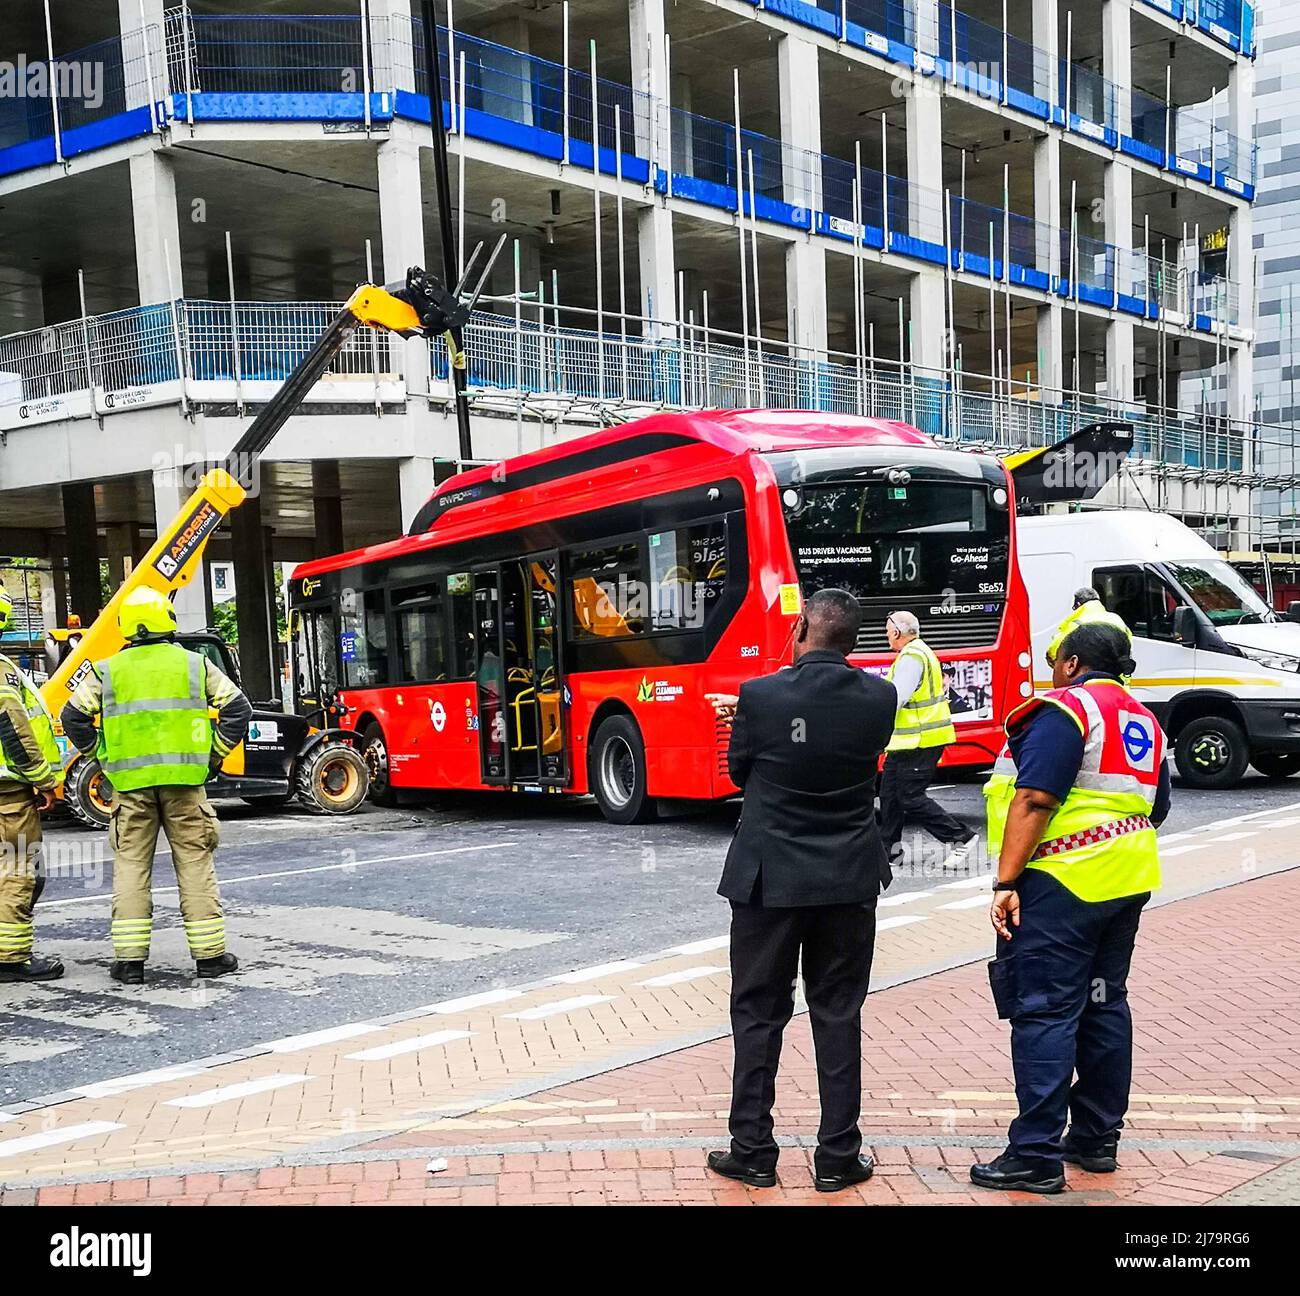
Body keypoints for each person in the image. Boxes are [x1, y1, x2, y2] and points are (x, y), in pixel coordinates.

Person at [708, 588, 896, 1193]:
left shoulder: (761, 696)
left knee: (758, 1012)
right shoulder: (881, 696)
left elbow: (738, 772)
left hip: (770, 878)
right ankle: (839, 1155)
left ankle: (753, 1149)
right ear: (855, 641)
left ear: (799, 629)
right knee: (838, 1010)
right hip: (847, 877)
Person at [971, 622, 1170, 1194]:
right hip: (1124, 881)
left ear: (1071, 662)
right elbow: (1156, 806)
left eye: (1056, 660)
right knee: (1104, 1003)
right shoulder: (1143, 719)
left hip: (1061, 883)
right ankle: (1094, 1139)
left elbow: (1035, 797)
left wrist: (1006, 881)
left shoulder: (1066, 710)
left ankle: (1035, 1154)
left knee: (1045, 1010)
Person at [61, 587, 252, 985]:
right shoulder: (194, 665)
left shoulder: (106, 670)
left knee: (131, 867)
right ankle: (210, 958)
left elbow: (73, 716)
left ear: (126, 627)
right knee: (196, 864)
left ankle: (130, 963)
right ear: (168, 620)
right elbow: (237, 708)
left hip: (130, 787)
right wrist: (212, 756)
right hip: (185, 785)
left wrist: (104, 758)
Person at [0, 586, 64, 982]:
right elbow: (12, 726)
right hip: (7, 793)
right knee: (19, 870)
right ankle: (10, 959)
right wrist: (43, 779)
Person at [879, 611, 974, 869]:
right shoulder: (916, 652)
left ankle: (961, 838)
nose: (886, 635)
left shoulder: (912, 657)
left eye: (888, 630)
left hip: (921, 740)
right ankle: (888, 853)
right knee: (889, 795)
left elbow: (896, 698)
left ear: (897, 632)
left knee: (909, 797)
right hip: (905, 742)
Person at [1046, 586, 1131, 666]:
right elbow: (1128, 647)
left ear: (1078, 604)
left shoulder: (1077, 623)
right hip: (1118, 678)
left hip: (1089, 679)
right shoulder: (1117, 620)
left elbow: (1053, 652)